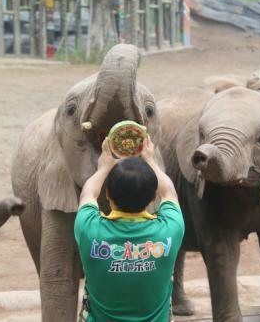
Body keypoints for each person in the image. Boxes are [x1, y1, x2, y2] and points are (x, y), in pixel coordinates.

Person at [74, 136, 185, 322]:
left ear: (107, 194)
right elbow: (168, 191)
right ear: (152, 198)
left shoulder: (89, 229)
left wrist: (104, 167)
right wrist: (151, 159)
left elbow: (88, 193)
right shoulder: (169, 230)